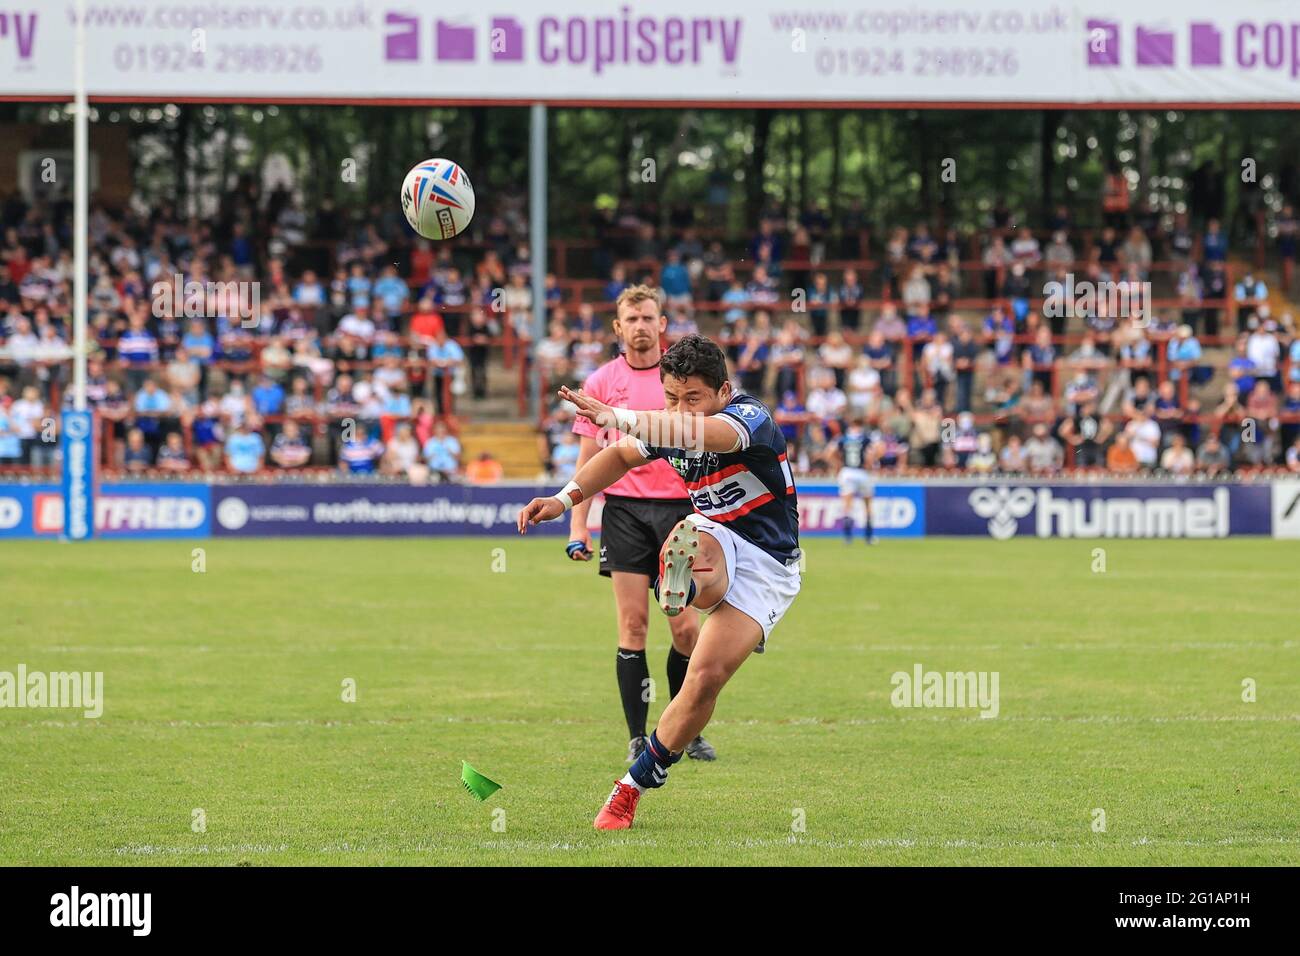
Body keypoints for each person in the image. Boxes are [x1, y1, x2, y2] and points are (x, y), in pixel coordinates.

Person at [517, 334, 801, 831]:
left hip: (770, 563)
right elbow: (621, 458)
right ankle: (685, 584)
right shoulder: (670, 424)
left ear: (724, 391)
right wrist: (564, 500)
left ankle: (638, 781)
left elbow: (709, 436)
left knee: (704, 681)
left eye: (693, 399)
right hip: (714, 535)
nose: (681, 409)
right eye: (672, 398)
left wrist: (619, 416)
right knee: (698, 538)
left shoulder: (751, 420)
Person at [565, 285, 713, 765]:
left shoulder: (680, 376)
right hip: (625, 509)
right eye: (632, 319)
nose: (641, 326)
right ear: (618, 327)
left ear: (662, 323)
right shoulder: (602, 380)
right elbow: (590, 457)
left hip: (679, 511)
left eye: (649, 318)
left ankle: (682, 730)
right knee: (632, 625)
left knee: (687, 630)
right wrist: (577, 526)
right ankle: (636, 734)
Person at [830, 417, 876, 544]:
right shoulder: (865, 438)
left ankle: (848, 537)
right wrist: (870, 465)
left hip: (847, 472)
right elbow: (873, 453)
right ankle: (869, 537)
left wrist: (838, 464)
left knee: (847, 506)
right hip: (862, 472)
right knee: (868, 505)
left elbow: (829, 453)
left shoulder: (843, 438)